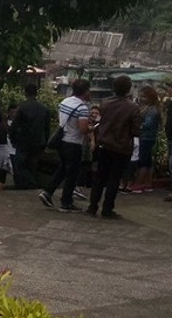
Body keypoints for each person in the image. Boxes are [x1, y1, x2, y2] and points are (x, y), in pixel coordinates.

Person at [87, 75, 141, 219]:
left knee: (100, 177)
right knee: (114, 179)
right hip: (122, 148)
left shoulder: (105, 103)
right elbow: (136, 131)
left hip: (104, 145)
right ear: (128, 89)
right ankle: (107, 209)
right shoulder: (133, 107)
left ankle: (92, 207)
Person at [39, 78, 92, 213]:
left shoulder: (65, 102)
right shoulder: (82, 108)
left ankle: (48, 191)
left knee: (62, 169)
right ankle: (66, 202)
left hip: (62, 141)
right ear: (85, 91)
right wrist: (92, 128)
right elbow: (83, 129)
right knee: (72, 174)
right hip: (74, 143)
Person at [10, 84, 50, 190]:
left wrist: (13, 139)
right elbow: (47, 128)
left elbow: (14, 126)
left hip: (23, 141)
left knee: (19, 165)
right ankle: (30, 186)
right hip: (38, 142)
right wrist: (45, 142)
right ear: (36, 93)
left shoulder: (22, 108)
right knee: (32, 164)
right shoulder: (44, 109)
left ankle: (29, 184)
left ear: (25, 93)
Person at [129, 86, 162, 193]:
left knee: (142, 161)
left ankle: (139, 183)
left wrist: (136, 126)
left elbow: (148, 124)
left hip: (145, 137)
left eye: (144, 96)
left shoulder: (152, 110)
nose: (141, 98)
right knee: (148, 161)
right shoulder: (150, 107)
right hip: (149, 137)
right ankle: (147, 183)